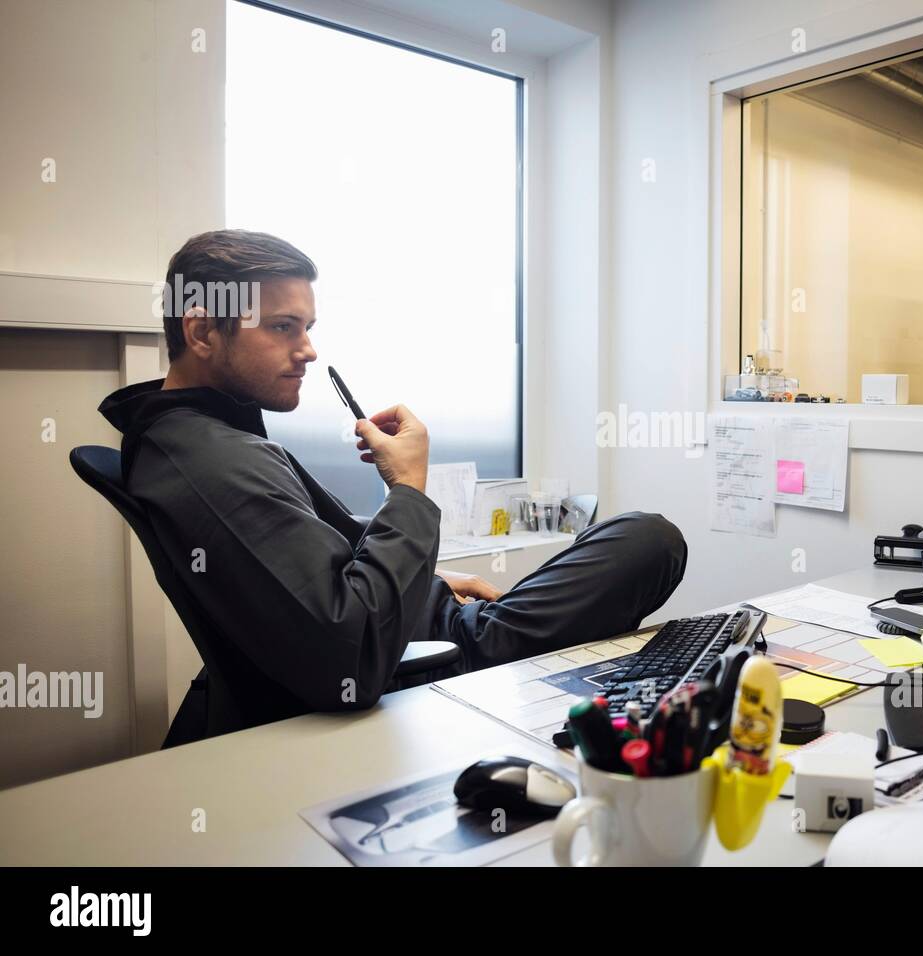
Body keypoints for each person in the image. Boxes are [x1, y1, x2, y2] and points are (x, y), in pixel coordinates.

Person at [99, 229, 687, 741]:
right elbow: (350, 652)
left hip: (419, 616)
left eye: (307, 327)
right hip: (431, 652)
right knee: (650, 541)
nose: (307, 350)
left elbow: (311, 562)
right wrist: (408, 489)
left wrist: (423, 576)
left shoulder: (211, 435)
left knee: (640, 541)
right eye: (283, 328)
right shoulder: (213, 467)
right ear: (202, 333)